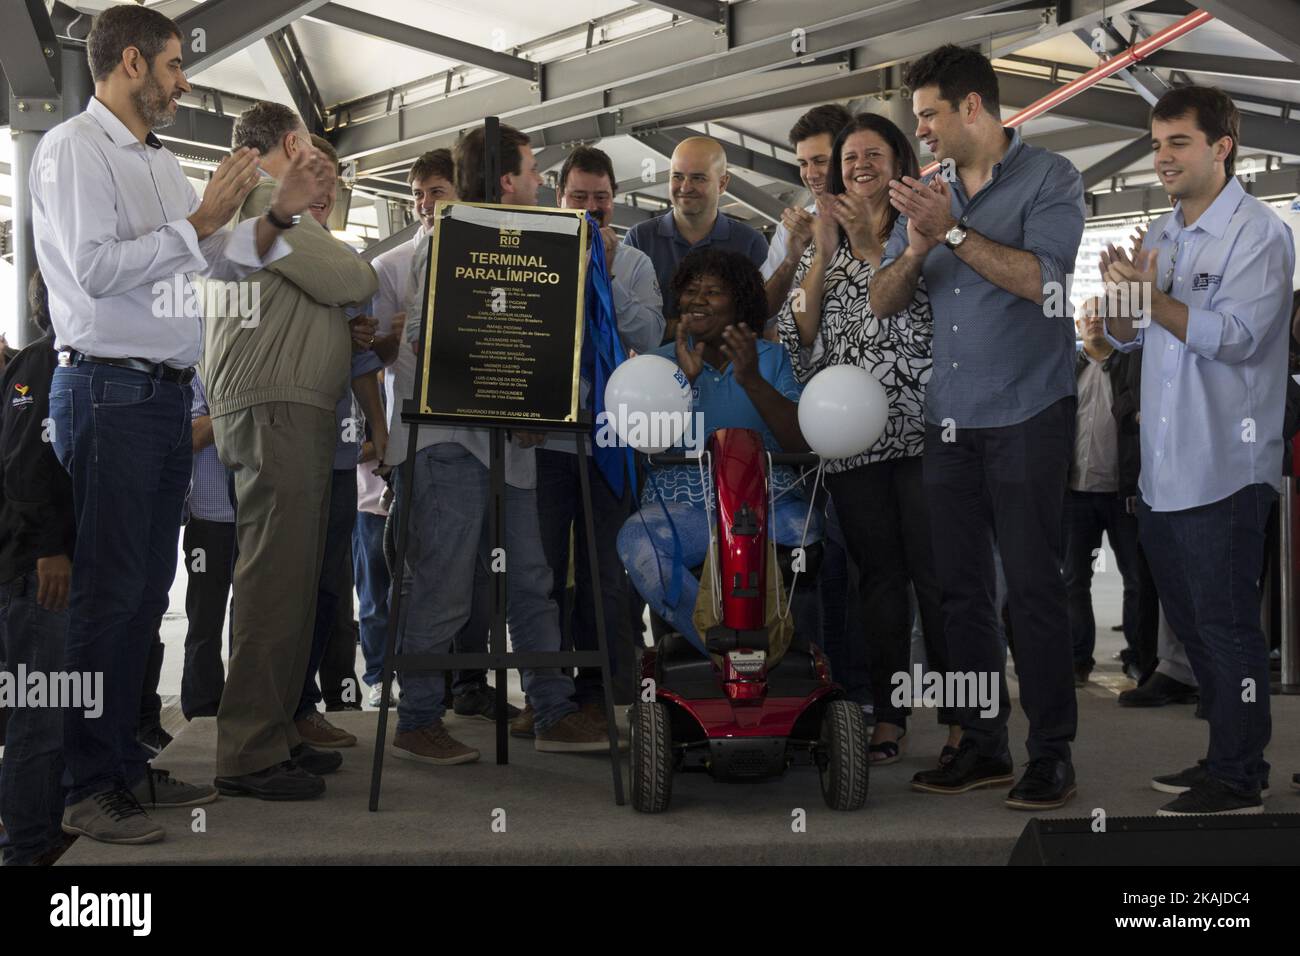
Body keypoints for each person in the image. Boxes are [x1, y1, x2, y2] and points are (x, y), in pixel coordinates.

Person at [32, 4, 320, 843]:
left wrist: (277, 217)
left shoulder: (158, 163)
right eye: (170, 66)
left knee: (143, 594)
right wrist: (196, 224)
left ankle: (121, 762)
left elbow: (216, 264)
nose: (181, 81)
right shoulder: (72, 151)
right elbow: (89, 272)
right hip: (106, 393)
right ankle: (86, 783)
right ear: (129, 62)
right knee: (107, 597)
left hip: (159, 397)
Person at [870, 44, 1086, 810]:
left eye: (929, 114)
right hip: (949, 421)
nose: (920, 129)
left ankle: (1051, 753)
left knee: (1033, 589)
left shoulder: (1051, 179)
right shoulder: (926, 198)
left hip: (1030, 410)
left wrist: (956, 233)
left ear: (972, 108)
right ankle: (983, 744)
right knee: (958, 593)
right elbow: (883, 300)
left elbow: (1050, 285)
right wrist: (921, 244)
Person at [386, 122, 617, 765]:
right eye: (533, 169)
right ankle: (418, 719)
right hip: (448, 444)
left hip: (514, 447)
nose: (542, 181)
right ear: (507, 180)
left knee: (534, 581)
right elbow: (436, 342)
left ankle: (553, 710)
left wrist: (537, 402)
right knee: (444, 585)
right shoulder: (444, 241)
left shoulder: (541, 248)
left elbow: (540, 342)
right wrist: (513, 401)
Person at [1101, 85, 1294, 815]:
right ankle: (1224, 752)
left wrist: (1151, 303)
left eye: (1178, 142)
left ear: (1223, 145)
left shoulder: (1261, 234)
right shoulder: (1160, 234)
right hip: (1162, 473)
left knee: (1227, 626)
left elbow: (1240, 340)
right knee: (1192, 626)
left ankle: (1241, 777)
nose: (1163, 157)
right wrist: (1122, 306)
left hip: (1225, 467)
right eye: (1156, 144)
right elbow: (1131, 340)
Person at [203, 101, 376, 801]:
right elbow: (351, 280)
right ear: (292, 143)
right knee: (276, 583)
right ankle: (248, 750)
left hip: (281, 408)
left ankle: (275, 733)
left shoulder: (262, 208)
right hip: (277, 410)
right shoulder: (263, 200)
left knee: (289, 580)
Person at [775, 112, 952, 767]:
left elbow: (910, 307)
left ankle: (964, 720)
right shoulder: (832, 241)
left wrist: (874, 247)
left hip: (924, 431)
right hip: (853, 444)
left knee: (936, 580)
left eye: (872, 154)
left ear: (897, 160)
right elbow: (796, 337)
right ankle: (889, 715)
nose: (858, 166)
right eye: (849, 158)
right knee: (877, 583)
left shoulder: (922, 226)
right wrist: (822, 253)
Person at [619, 249, 815, 648]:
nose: (698, 300)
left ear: (740, 301)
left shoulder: (773, 358)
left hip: (767, 502)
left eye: (714, 292)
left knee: (811, 539)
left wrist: (752, 381)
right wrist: (683, 385)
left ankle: (789, 652)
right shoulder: (656, 364)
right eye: (691, 291)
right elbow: (638, 443)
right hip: (681, 506)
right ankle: (723, 645)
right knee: (638, 543)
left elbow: (801, 441)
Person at [373, 149, 510, 718]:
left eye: (438, 192)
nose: (426, 205)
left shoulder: (491, 257)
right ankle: (419, 712)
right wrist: (397, 337)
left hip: (484, 442)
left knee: (478, 579)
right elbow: (369, 355)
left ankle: (469, 688)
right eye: (418, 195)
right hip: (426, 442)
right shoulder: (390, 267)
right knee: (432, 579)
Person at [537, 145, 664, 721]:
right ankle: (550, 695)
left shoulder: (633, 262)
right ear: (559, 199)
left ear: (616, 201)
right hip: (543, 442)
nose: (591, 208)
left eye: (602, 199)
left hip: (613, 443)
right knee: (540, 575)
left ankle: (605, 695)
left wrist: (606, 274)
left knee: (608, 577)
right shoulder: (536, 254)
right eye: (579, 198)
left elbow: (651, 335)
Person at [290, 134, 387, 747]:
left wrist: (379, 431)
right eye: (313, 176)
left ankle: (304, 709)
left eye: (333, 181)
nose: (325, 191)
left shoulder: (343, 262)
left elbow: (362, 367)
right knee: (279, 585)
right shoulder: (268, 244)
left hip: (334, 453)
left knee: (329, 585)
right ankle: (276, 714)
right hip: (281, 440)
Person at [0, 270, 73, 865]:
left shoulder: (74, 361)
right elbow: (26, 467)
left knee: (55, 709)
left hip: (45, 564)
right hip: (35, 570)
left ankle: (46, 828)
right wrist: (51, 548)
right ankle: (28, 846)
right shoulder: (40, 365)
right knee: (38, 716)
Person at [1064, 297, 1142, 686]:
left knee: (1137, 579)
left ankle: (1138, 657)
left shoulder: (1132, 366)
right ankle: (1078, 660)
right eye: (1087, 315)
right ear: (1077, 326)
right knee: (1073, 580)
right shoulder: (1066, 370)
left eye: (1103, 314)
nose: (1094, 320)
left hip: (1123, 494)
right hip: (1075, 493)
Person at [623, 136, 768, 335]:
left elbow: (763, 323)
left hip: (726, 364)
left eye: (698, 178)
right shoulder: (639, 238)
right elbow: (624, 317)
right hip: (654, 363)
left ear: (723, 184)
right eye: (677, 176)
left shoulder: (751, 243)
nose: (685, 187)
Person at [761, 104, 853, 325]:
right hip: (807, 357)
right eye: (803, 163)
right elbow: (762, 312)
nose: (810, 174)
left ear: (848, 156)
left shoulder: (882, 217)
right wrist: (792, 259)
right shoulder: (791, 227)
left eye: (821, 161)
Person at [180, 372, 235, 720]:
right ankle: (202, 711)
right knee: (205, 619)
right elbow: (193, 436)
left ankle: (247, 704)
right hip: (210, 516)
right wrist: (236, 407)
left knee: (254, 620)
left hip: (259, 513)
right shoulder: (196, 368)